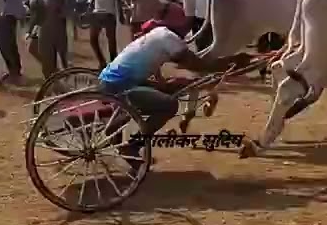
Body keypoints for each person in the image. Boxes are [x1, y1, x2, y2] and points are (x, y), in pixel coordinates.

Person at [96, 12, 253, 171]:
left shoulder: (158, 34)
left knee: (167, 93)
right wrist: (232, 61)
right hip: (119, 86)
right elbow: (198, 65)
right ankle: (132, 145)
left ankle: (121, 137)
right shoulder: (169, 39)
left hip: (111, 82)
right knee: (169, 106)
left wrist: (165, 85)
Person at [24, 0, 68, 77]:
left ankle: (55, 78)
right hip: (40, 21)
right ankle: (55, 72)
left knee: (47, 55)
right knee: (33, 49)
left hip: (47, 21)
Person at [87, 0, 122, 67]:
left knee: (111, 40)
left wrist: (120, 14)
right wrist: (89, 9)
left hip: (108, 13)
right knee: (93, 39)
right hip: (97, 12)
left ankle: (113, 63)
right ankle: (102, 61)